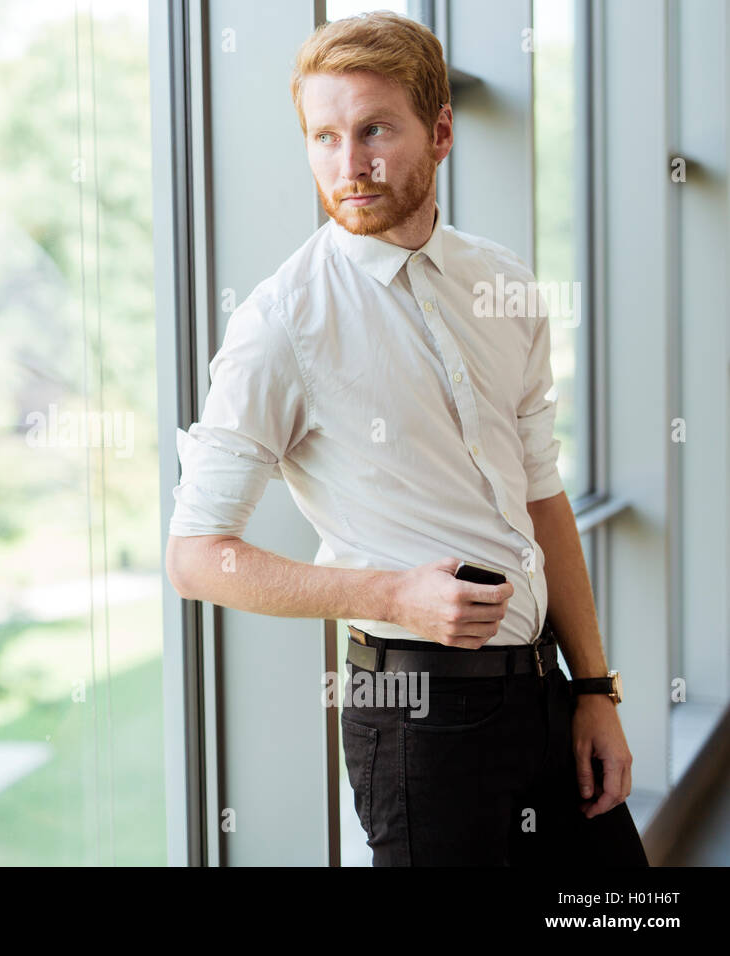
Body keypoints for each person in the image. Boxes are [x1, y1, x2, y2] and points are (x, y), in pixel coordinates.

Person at [163, 10, 648, 866]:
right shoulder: (282, 322)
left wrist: (595, 690)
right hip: (419, 723)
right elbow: (196, 557)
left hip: (547, 694)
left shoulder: (503, 284)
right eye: (324, 137)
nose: (349, 164)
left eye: (375, 130)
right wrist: (391, 596)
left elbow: (541, 495)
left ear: (442, 132)